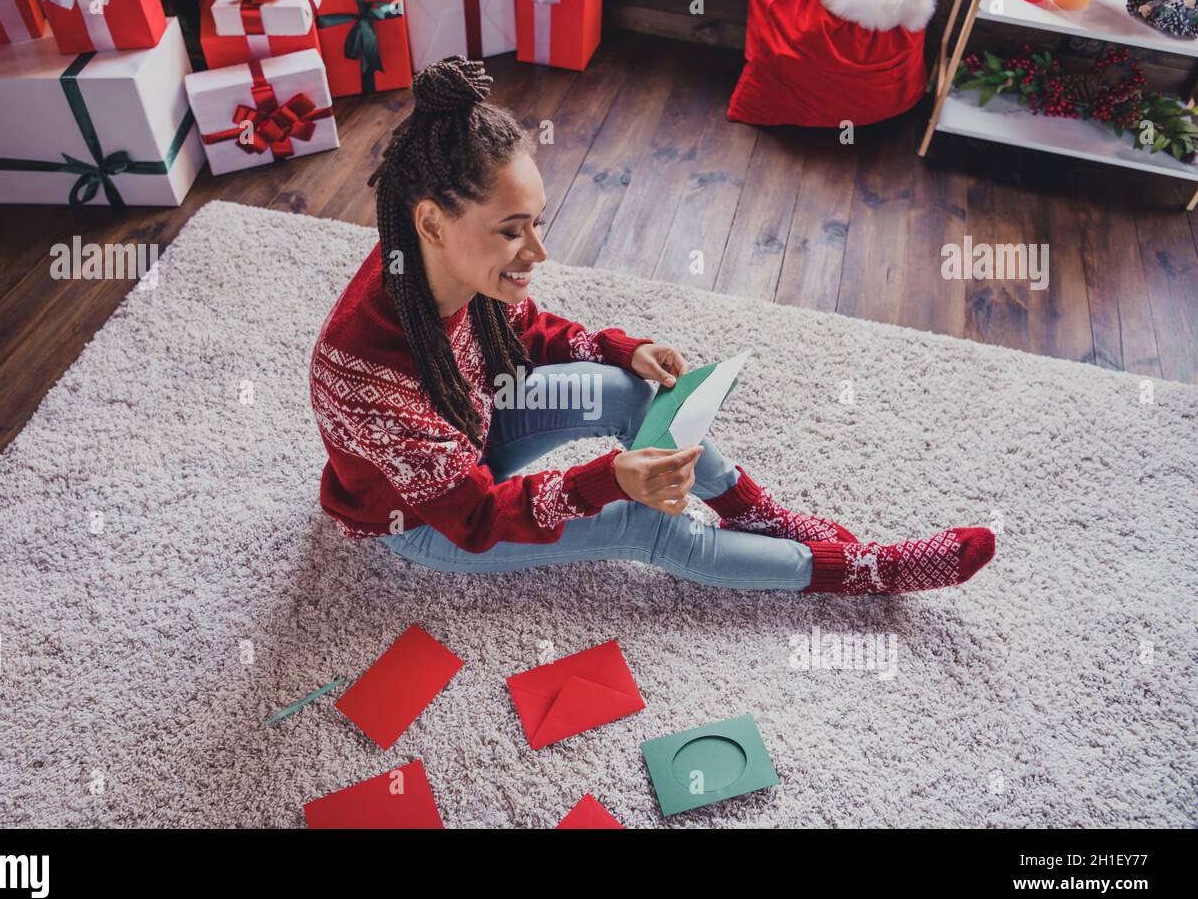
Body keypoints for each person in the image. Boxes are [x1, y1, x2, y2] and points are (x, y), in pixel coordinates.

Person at [309, 56, 994, 595]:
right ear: (431, 221)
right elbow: (479, 518)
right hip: (427, 519)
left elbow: (523, 329)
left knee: (632, 393)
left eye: (537, 224)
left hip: (474, 428)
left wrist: (620, 350)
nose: (538, 252)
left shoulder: (445, 259)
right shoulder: (365, 371)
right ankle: (854, 571)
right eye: (512, 231)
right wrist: (609, 479)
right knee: (646, 525)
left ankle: (758, 514)